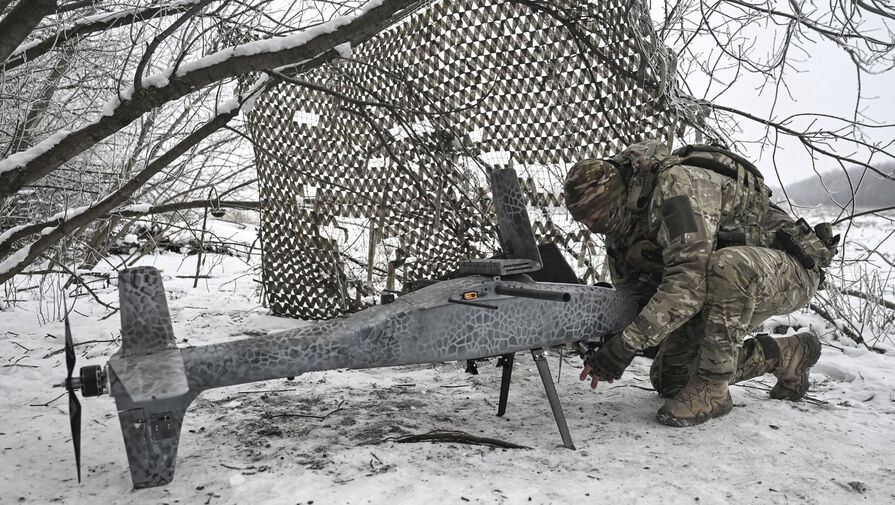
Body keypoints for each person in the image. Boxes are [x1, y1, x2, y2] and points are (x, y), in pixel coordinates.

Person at [564, 140, 839, 427]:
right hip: (723, 283)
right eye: (583, 220)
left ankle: (713, 390)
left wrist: (625, 345)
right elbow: (635, 298)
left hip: (790, 270)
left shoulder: (676, 186)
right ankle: (787, 354)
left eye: (594, 216)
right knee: (672, 378)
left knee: (727, 266)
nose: (590, 226)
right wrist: (604, 336)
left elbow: (687, 284)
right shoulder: (623, 220)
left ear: (615, 198)